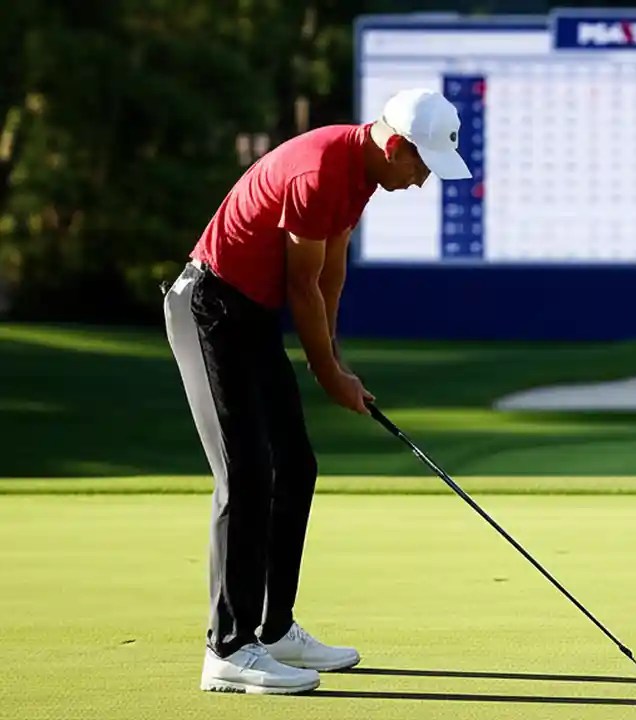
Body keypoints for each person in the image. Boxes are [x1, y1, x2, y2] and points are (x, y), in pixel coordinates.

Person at [162, 88, 472, 695]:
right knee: (246, 473)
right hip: (208, 309)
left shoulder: (358, 174)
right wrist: (327, 372)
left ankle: (273, 631)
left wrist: (334, 359)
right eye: (420, 166)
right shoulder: (321, 170)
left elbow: (331, 269)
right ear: (395, 145)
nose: (421, 182)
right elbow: (302, 285)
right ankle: (227, 648)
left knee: (295, 465)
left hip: (248, 319)